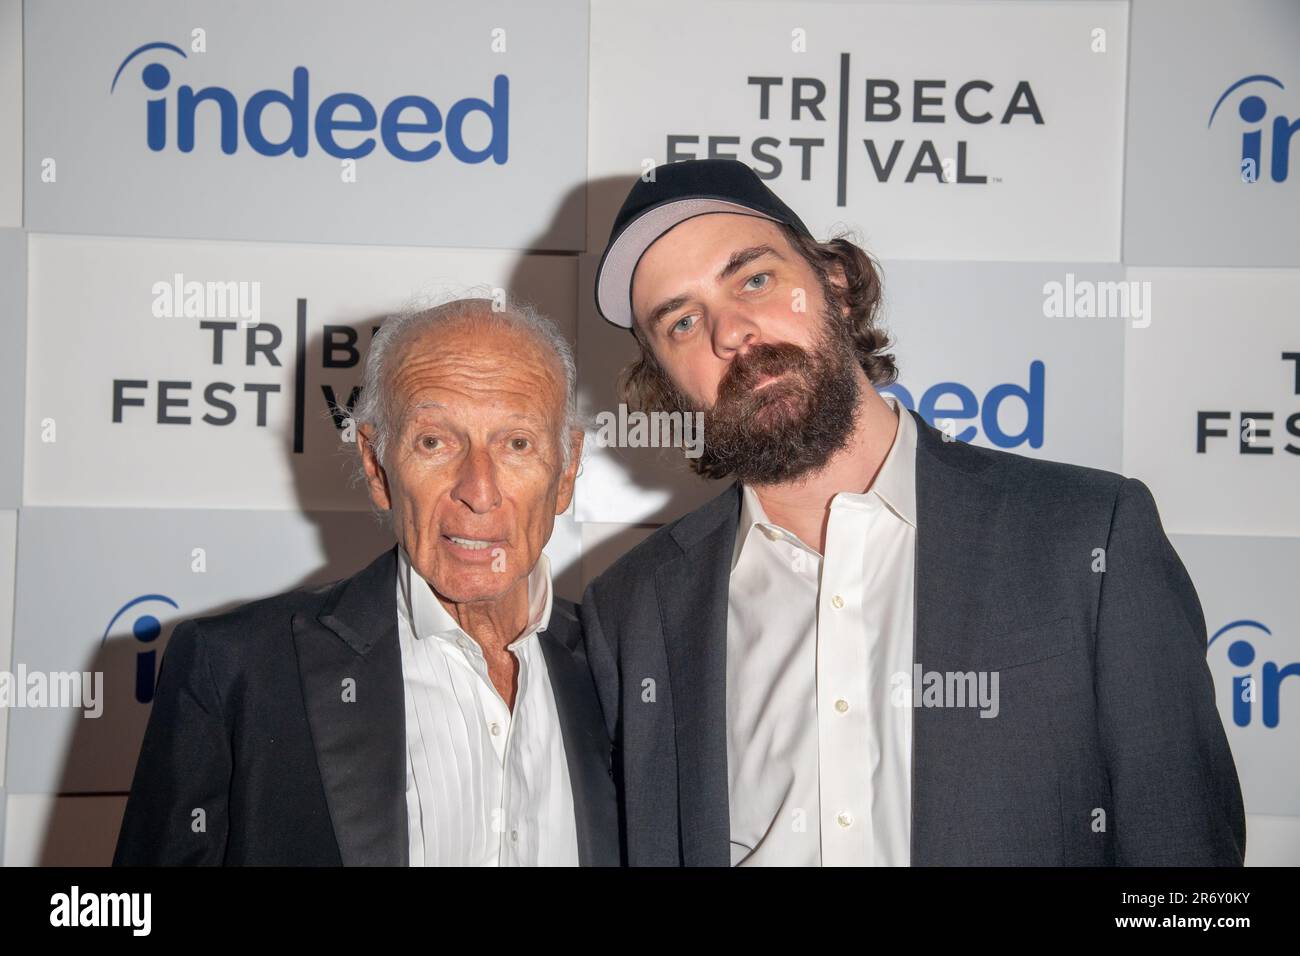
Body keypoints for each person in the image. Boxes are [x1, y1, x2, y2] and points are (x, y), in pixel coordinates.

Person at [583, 158, 1246, 866]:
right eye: (682, 321)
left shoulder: (1090, 538)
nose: (731, 332)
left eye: (754, 279)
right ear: (664, 381)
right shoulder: (632, 611)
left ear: (834, 285)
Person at [114, 297, 619, 866]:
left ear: (567, 469)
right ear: (378, 467)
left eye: (517, 443)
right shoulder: (237, 671)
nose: (479, 491)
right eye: (435, 442)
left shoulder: (625, 668)